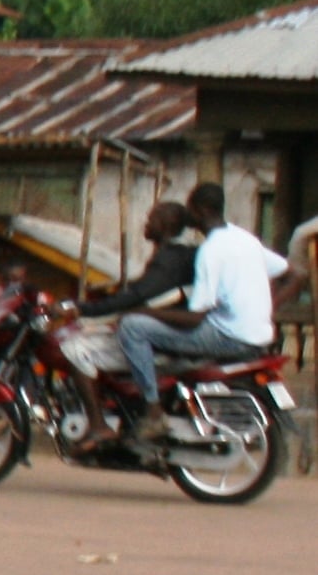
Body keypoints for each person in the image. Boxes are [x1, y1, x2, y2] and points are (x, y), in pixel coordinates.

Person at [120, 180, 288, 437]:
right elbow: (292, 272)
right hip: (260, 334)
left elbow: (194, 318)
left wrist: (144, 312)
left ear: (201, 210)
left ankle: (153, 411)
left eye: (191, 207)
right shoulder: (244, 238)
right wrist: (268, 309)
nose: (188, 214)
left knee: (133, 327)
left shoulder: (210, 251)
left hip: (228, 337)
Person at [61, 202, 196, 445]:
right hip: (167, 333)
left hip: (161, 340)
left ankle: (98, 426)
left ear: (165, 225)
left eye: (151, 219)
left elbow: (137, 295)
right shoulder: (175, 256)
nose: (147, 223)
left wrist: (82, 308)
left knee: (75, 348)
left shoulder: (169, 259)